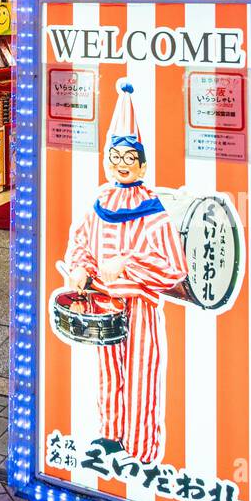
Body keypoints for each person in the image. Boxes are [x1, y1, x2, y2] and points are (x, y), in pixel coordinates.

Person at [59, 79, 187, 463]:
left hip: (140, 308)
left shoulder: (153, 207)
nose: (121, 164)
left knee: (142, 375)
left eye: (130, 158)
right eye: (115, 157)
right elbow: (81, 239)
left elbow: (173, 266)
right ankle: (111, 436)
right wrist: (81, 267)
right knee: (108, 370)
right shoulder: (101, 198)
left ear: (143, 164)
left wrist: (129, 263)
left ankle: (143, 450)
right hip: (102, 302)